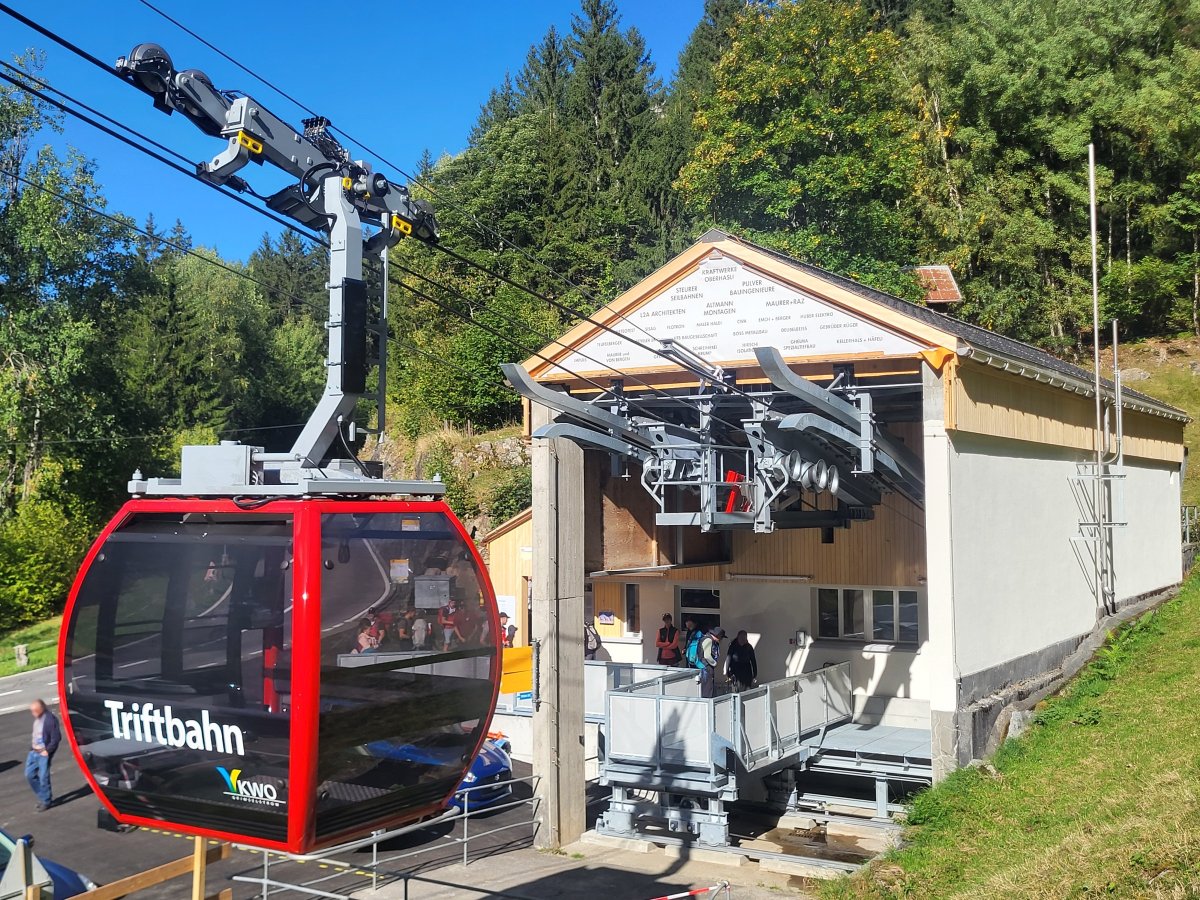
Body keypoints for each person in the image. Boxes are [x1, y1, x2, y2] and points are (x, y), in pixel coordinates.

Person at [26, 699, 60, 811]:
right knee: (29, 775)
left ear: (40, 709)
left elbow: (56, 738)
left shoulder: (50, 720)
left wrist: (48, 750)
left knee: (43, 777)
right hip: (34, 752)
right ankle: (43, 796)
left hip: (43, 753)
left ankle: (46, 801)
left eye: (34, 711)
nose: (32, 714)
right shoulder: (38, 719)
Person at [698, 627, 726, 698]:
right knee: (707, 690)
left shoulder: (706, 638)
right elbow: (707, 656)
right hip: (706, 668)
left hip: (703, 667)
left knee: (707, 688)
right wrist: (714, 663)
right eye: (721, 637)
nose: (721, 640)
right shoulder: (709, 640)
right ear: (718, 636)